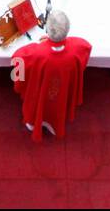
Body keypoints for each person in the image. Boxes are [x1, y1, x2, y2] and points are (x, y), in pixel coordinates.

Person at [11, 10, 92, 142]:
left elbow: (17, 59)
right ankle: (55, 124)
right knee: (57, 104)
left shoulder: (36, 52)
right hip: (61, 94)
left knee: (36, 104)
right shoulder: (77, 47)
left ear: (47, 30)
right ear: (68, 30)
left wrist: (43, 44)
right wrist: (56, 42)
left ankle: (33, 123)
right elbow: (86, 48)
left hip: (39, 94)